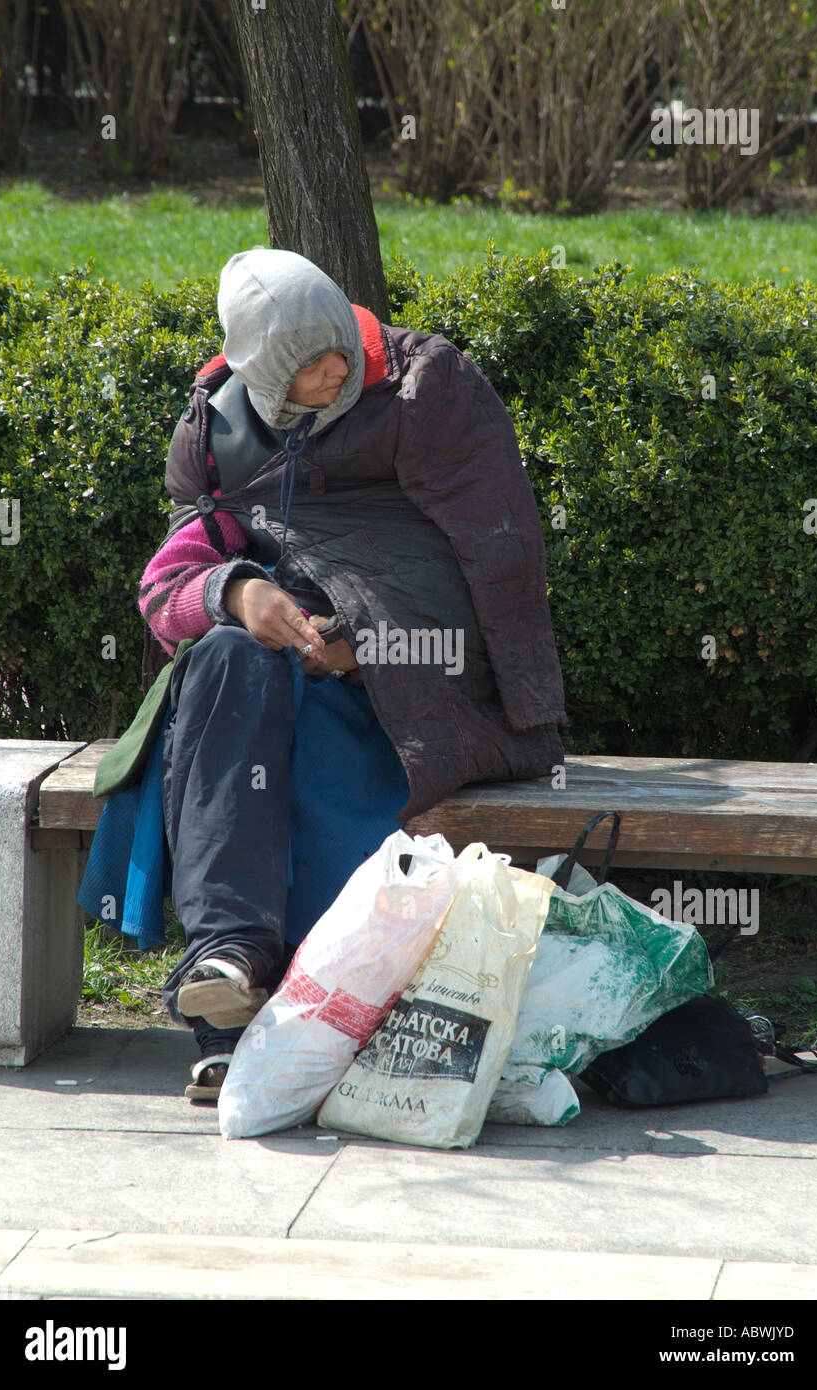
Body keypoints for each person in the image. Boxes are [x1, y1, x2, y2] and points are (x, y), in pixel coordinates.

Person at [137, 247, 566, 1100]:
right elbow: (164, 590)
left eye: (338, 351)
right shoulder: (216, 432)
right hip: (270, 685)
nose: (333, 370)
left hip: (417, 694)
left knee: (293, 754)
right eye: (305, 367)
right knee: (226, 659)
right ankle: (229, 961)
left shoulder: (424, 389)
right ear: (260, 374)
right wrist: (237, 592)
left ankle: (294, 1013)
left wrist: (368, 646)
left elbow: (497, 567)